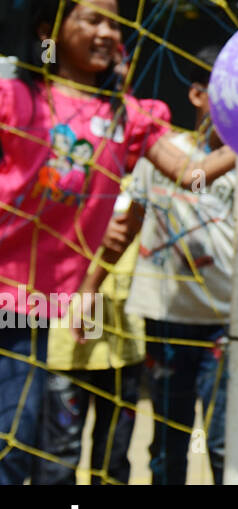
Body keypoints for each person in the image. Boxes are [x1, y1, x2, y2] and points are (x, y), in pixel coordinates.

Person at [0, 0, 234, 485]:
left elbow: (192, 175)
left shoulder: (127, 117)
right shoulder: (15, 97)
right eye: (92, 19)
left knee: (16, 446)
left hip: (33, 308)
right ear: (50, 31)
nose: (108, 32)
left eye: (115, 23)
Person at [104, 45, 238, 485]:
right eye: (227, 92)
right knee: (168, 443)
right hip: (169, 319)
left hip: (229, 325)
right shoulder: (162, 154)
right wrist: (90, 282)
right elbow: (131, 223)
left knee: (226, 443)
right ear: (198, 95)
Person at [34, 179, 146, 485]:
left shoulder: (142, 176)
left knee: (115, 458)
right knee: (59, 458)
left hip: (123, 340)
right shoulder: (62, 168)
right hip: (66, 342)